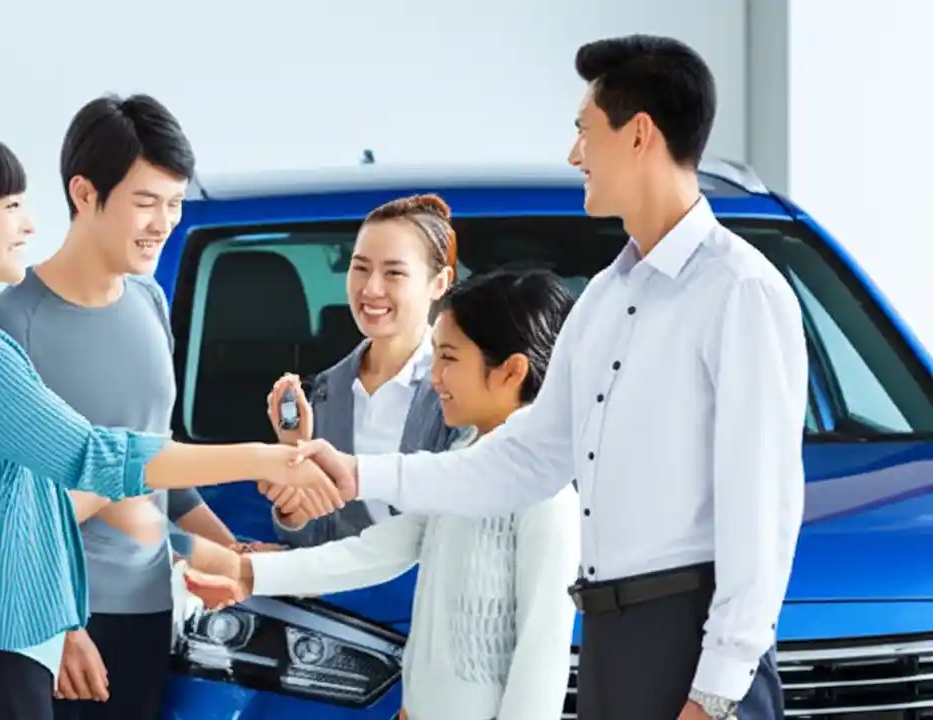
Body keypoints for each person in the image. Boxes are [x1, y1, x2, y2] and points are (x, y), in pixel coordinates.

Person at [291, 35, 806, 720]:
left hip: (691, 644)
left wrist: (713, 692)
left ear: (640, 136)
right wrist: (361, 474)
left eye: (584, 133)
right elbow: (524, 461)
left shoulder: (740, 291)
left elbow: (763, 508)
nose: (574, 156)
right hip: (612, 638)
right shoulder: (600, 300)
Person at [0, 129, 343, 720]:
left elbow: (33, 506)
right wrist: (261, 458)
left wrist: (223, 550)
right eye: (11, 206)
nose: (29, 225)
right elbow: (94, 457)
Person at [187, 269, 582, 720]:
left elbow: (543, 654)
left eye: (449, 358)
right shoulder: (461, 461)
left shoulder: (543, 495)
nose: (433, 377)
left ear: (511, 371)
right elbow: (374, 552)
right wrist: (247, 573)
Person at [0, 94, 240, 720]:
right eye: (146, 203)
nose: (164, 222)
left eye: (174, 204)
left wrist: (231, 556)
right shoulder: (13, 322)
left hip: (149, 612)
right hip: (59, 627)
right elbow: (5, 514)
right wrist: (64, 629)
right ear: (84, 193)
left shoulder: (150, 303)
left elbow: (160, 462)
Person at [259, 193, 463, 546]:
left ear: (439, 283)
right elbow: (319, 541)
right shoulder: (325, 392)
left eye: (394, 272)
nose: (371, 289)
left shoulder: (462, 389)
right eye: (361, 267)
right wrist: (295, 510)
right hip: (349, 600)